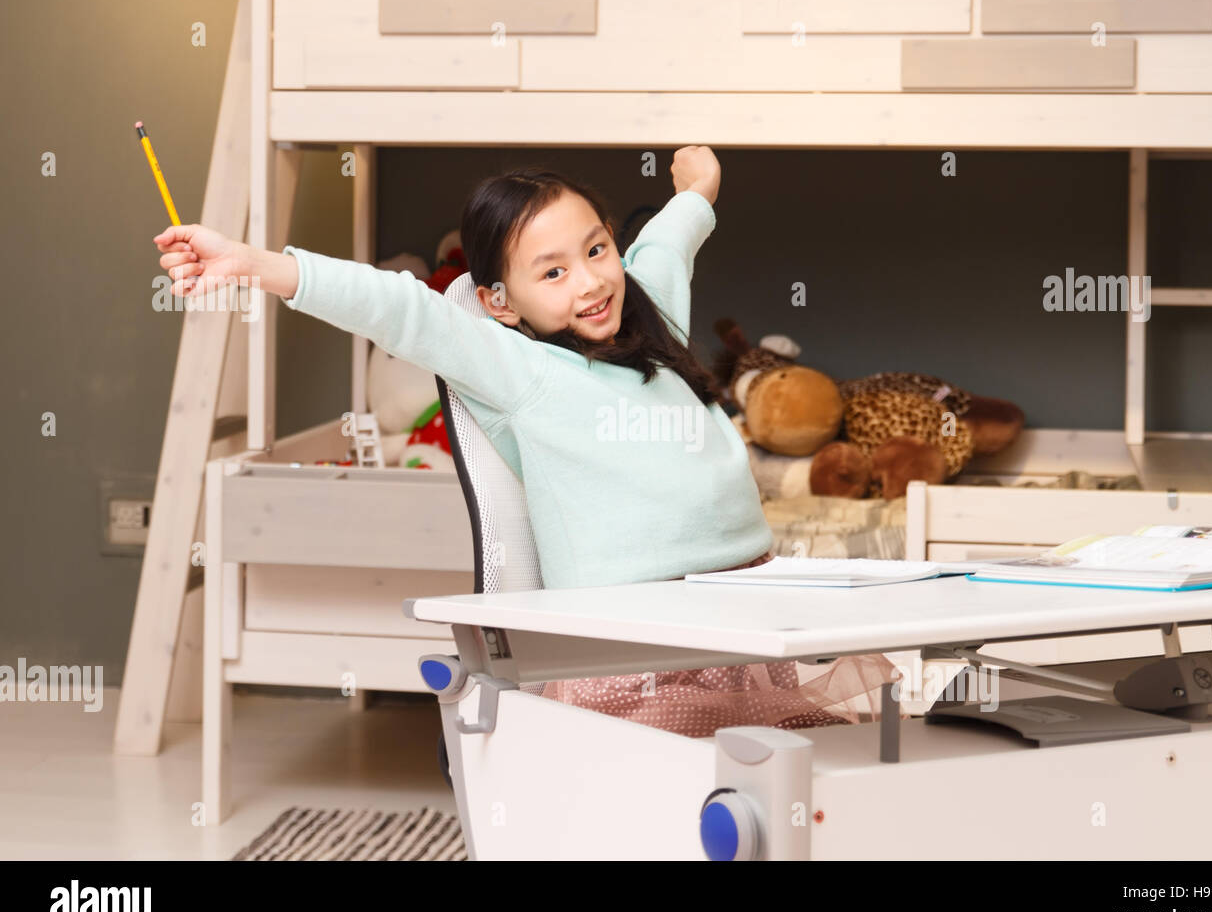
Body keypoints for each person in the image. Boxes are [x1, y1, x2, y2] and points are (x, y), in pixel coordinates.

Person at [153, 145, 897, 738]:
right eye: (553, 272)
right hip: (639, 649)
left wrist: (698, 187)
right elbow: (399, 309)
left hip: (743, 616)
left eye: (597, 249)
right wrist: (254, 264)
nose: (591, 282)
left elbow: (666, 244)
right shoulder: (518, 369)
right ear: (499, 303)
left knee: (799, 782)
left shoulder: (647, 311)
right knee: (668, 804)